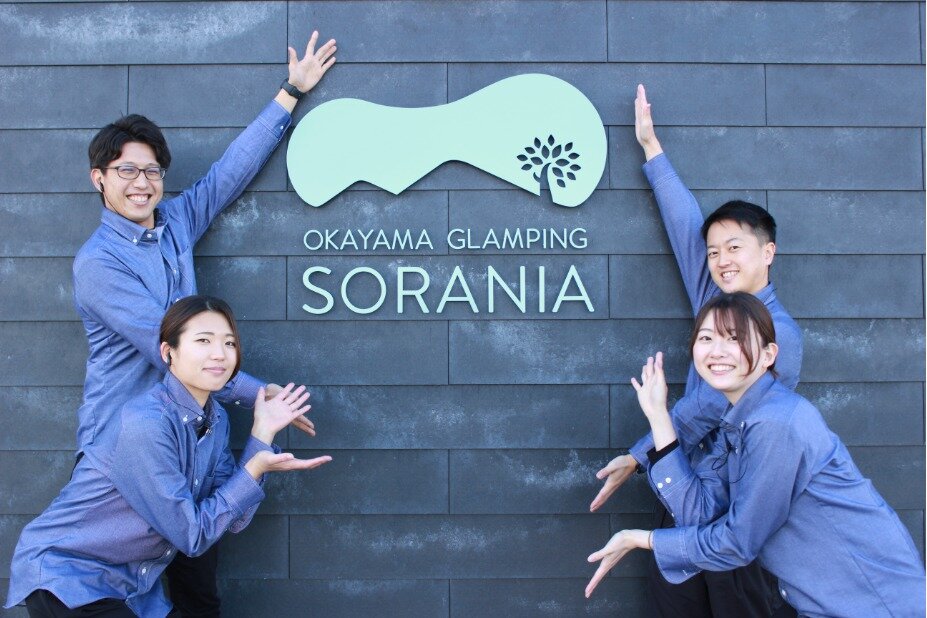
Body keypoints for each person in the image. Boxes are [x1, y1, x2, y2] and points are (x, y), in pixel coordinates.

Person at [69, 30, 336, 615]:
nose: (142, 183)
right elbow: (166, 348)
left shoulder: (174, 226)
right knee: (117, 590)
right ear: (99, 178)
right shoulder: (99, 265)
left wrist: (290, 92)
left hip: (189, 445)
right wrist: (258, 394)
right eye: (126, 170)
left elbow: (225, 176)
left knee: (198, 590)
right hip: (123, 454)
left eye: (152, 171)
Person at [590, 85, 802, 616]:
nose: (722, 259)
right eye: (715, 252)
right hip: (680, 495)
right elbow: (687, 230)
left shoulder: (778, 335)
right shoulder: (716, 297)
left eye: (735, 247)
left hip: (734, 517)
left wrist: (637, 456)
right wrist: (651, 148)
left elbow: (707, 408)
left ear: (768, 252)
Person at [585, 293, 926, 617]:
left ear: (768, 355)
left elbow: (736, 543)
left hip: (873, 604)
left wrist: (641, 539)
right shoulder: (738, 424)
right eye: (706, 338)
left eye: (734, 338)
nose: (717, 351)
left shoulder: (775, 423)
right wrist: (659, 417)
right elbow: (699, 513)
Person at [5, 296, 333, 617]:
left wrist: (262, 434)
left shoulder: (216, 420)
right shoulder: (147, 424)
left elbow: (233, 521)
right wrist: (254, 468)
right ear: (168, 352)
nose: (219, 354)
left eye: (229, 343)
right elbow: (191, 535)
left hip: (133, 590)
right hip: (72, 579)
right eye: (203, 340)